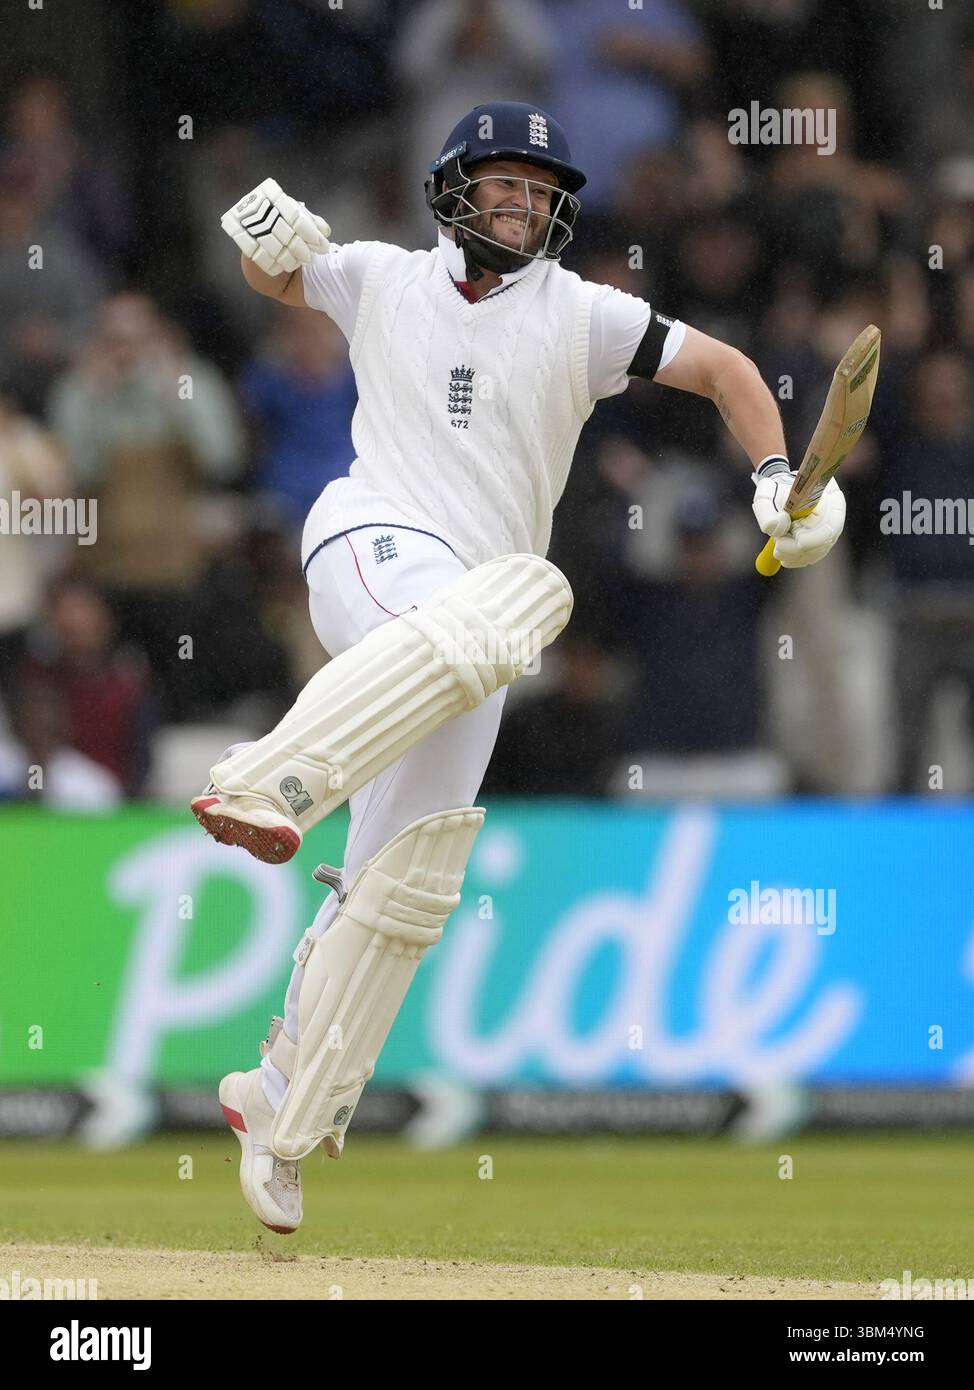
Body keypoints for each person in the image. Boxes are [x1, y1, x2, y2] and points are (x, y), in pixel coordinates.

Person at [196, 102, 846, 1233]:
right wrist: (265, 235)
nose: (526, 205)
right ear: (452, 188)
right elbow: (278, 280)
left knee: (406, 881)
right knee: (504, 603)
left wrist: (776, 478)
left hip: (479, 634)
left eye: (542, 192)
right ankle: (266, 777)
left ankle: (282, 1104)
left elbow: (728, 370)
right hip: (369, 540)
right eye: (505, 184)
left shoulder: (582, 314)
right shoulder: (381, 276)